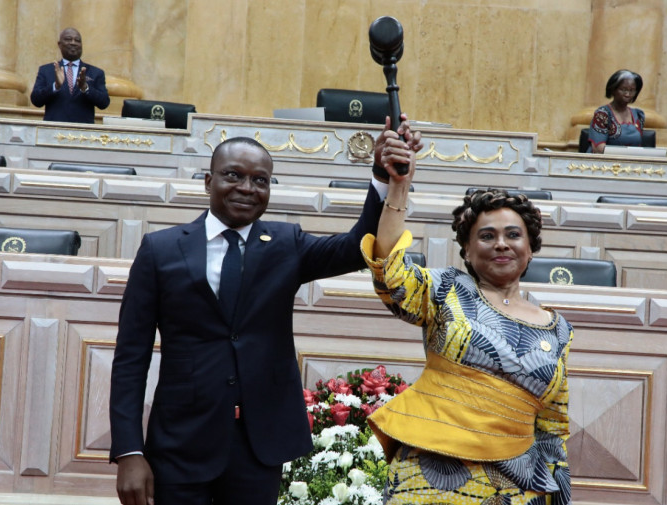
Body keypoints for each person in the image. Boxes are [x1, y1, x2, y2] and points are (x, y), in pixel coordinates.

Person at [109, 122, 423, 505]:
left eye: (261, 180)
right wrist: (129, 451)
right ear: (208, 181)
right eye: (233, 175)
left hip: (258, 448)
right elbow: (130, 358)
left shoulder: (285, 244)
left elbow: (356, 245)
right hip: (180, 445)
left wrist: (381, 175)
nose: (247, 188)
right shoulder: (160, 250)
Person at [361, 134, 572, 504]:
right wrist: (399, 186)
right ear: (468, 251)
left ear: (530, 248)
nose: (501, 244)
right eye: (487, 236)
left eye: (513, 235)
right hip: (430, 470)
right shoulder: (445, 288)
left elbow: (553, 426)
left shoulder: (559, 329)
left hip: (517, 484)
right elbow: (391, 277)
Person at [30, 28, 110, 123]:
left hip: (83, 132)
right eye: (68, 39)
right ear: (59, 45)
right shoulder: (47, 70)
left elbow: (104, 103)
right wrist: (55, 86)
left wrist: (85, 88)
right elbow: (36, 100)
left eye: (77, 40)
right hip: (53, 130)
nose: (73, 43)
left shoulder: (95, 72)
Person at [586, 69, 644, 153]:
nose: (627, 94)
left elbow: (638, 146)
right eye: (623, 89)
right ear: (613, 89)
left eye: (631, 90)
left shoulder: (638, 115)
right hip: (605, 163)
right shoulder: (603, 114)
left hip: (630, 164)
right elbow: (598, 149)